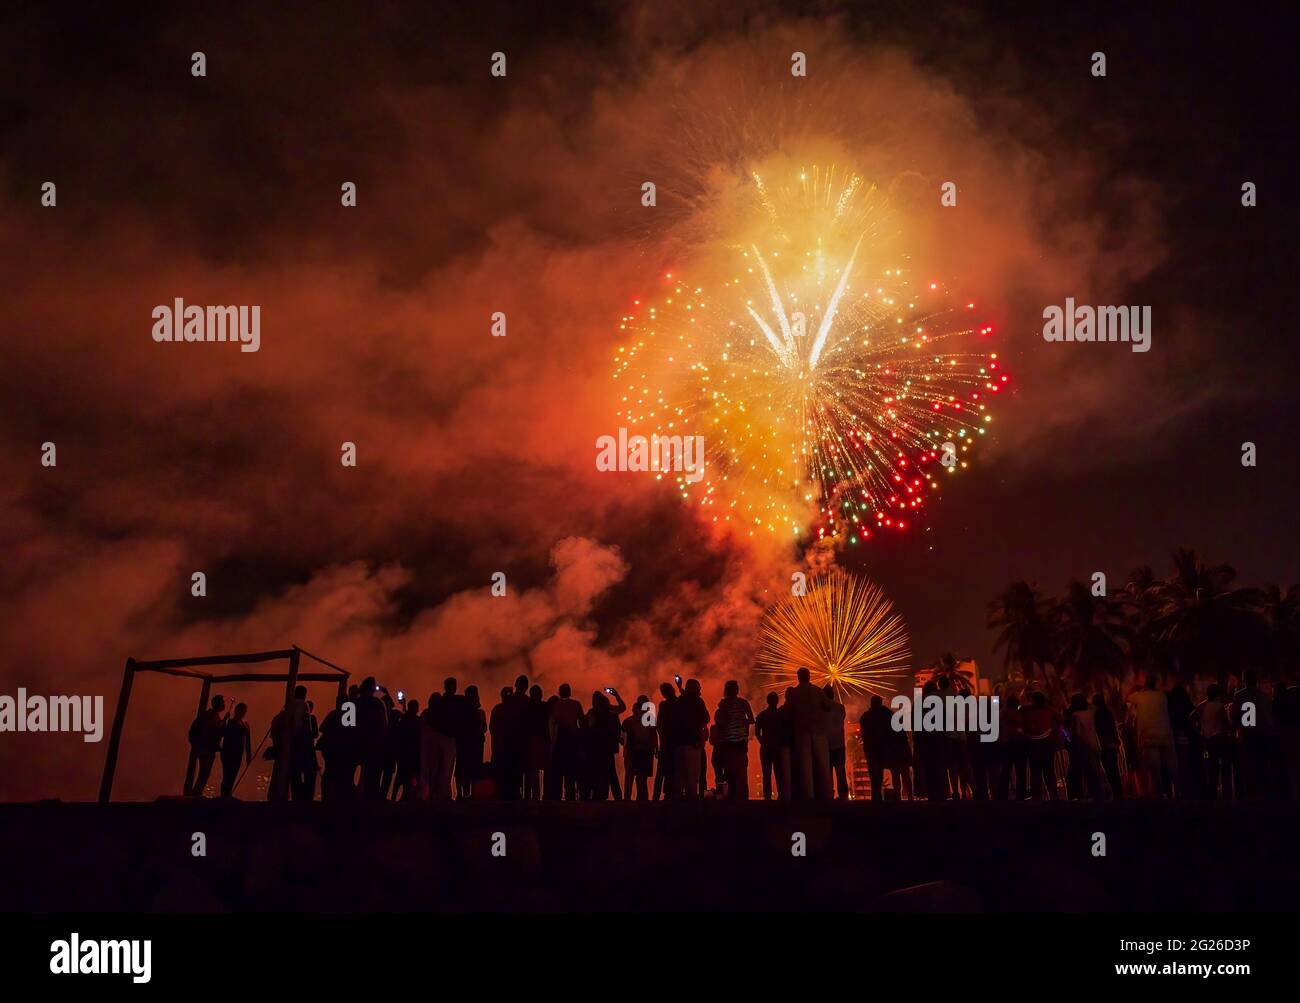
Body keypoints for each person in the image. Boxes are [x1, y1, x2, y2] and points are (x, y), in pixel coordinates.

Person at [788, 667, 833, 800]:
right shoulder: (817, 691)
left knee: (805, 767)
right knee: (823, 766)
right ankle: (826, 795)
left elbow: (787, 712)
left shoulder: (795, 693)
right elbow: (828, 707)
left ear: (798, 677)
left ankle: (808, 797)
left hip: (802, 733)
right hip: (818, 732)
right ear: (809, 676)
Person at [1127, 674, 1176, 798]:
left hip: (1149, 735)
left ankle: (1160, 792)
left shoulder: (1139, 696)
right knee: (1168, 765)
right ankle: (1173, 791)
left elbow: (1128, 697)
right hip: (1165, 732)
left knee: (1155, 767)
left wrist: (1137, 690)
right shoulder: (1162, 696)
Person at [672, 679, 710, 800]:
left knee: (680, 774)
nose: (700, 689)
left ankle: (678, 802)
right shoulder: (697, 701)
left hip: (678, 743)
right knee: (692, 775)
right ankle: (691, 803)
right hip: (693, 743)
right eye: (699, 687)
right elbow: (706, 718)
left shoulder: (678, 701)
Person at [585, 689, 626, 800]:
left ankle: (596, 796)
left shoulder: (592, 712)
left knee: (596, 772)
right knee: (611, 773)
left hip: (595, 748)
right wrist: (616, 695)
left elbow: (587, 727)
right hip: (608, 748)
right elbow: (622, 708)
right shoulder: (611, 713)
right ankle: (618, 797)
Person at [1194, 684, 1231, 799]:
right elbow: (1226, 724)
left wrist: (1198, 731)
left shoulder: (1201, 706)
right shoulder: (1220, 706)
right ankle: (1226, 791)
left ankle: (1212, 792)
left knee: (1212, 766)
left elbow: (1191, 718)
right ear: (1218, 694)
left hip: (1207, 739)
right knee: (1224, 765)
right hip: (1219, 738)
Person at [550, 683, 586, 800]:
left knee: (559, 768)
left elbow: (554, 721)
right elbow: (581, 721)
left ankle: (557, 795)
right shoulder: (576, 704)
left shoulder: (557, 704)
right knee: (571, 769)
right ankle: (570, 795)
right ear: (569, 692)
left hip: (562, 737)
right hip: (573, 738)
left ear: (560, 692)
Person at [355, 677, 389, 800]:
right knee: (372, 772)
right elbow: (384, 724)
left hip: (358, 741)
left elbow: (347, 724)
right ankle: (370, 796)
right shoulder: (378, 703)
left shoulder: (354, 703)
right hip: (373, 742)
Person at [317, 695, 356, 801]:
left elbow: (322, 728)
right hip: (343, 750)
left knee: (329, 772)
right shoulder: (348, 716)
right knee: (342, 773)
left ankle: (327, 796)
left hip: (331, 749)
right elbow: (351, 733)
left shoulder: (333, 714)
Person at [186, 695, 226, 796]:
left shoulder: (211, 715)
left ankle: (196, 793)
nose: (224, 704)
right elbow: (213, 732)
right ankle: (196, 794)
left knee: (203, 773)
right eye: (222, 702)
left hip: (204, 748)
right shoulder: (211, 716)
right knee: (204, 773)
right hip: (207, 749)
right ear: (218, 704)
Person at [1066, 693, 1103, 802]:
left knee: (1082, 770)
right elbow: (1093, 706)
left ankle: (1080, 794)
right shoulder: (1091, 712)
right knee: (1094, 769)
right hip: (1094, 742)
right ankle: (1096, 793)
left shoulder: (1075, 715)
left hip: (1083, 744)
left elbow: (1077, 733)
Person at [1022, 690, 1058, 800]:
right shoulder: (1049, 710)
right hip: (1045, 743)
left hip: (1034, 744)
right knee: (1049, 771)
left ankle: (1038, 796)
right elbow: (1060, 719)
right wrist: (1052, 728)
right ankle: (1053, 795)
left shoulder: (1026, 711)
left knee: (1036, 771)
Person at [859, 695, 895, 800]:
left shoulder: (865, 716)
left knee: (873, 773)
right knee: (884, 772)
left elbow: (864, 734)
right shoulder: (886, 714)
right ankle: (888, 796)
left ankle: (876, 796)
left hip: (870, 749)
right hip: (883, 748)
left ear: (871, 704)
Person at [622, 695, 657, 800]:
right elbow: (653, 734)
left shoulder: (629, 721)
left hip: (634, 751)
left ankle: (629, 798)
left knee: (631, 776)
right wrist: (655, 748)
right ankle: (641, 798)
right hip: (643, 751)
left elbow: (621, 738)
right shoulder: (649, 719)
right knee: (641, 777)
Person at [755, 692, 788, 800]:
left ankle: (767, 796)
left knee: (766, 773)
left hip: (766, 747)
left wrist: (762, 741)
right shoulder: (780, 715)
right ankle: (781, 795)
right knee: (779, 772)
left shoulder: (762, 715)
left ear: (767, 701)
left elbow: (756, 732)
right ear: (777, 701)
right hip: (777, 747)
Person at [455, 685, 487, 799]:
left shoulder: (460, 710)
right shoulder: (479, 712)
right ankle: (470, 793)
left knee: (462, 769)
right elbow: (484, 728)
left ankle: (461, 794)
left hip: (464, 743)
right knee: (472, 769)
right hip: (474, 744)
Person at [1093, 693, 1124, 800]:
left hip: (1106, 745)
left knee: (1110, 769)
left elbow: (1099, 730)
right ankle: (1118, 792)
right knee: (1114, 768)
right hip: (1113, 744)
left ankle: (1116, 793)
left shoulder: (1097, 714)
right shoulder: (1108, 712)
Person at [219, 702, 253, 798]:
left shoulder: (244, 725)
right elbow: (223, 734)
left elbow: (248, 742)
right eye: (241, 710)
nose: (242, 712)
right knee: (227, 775)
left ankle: (226, 794)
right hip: (229, 753)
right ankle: (225, 795)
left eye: (243, 711)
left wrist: (248, 755)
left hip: (236, 753)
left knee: (232, 775)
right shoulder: (231, 722)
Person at [523, 685, 551, 800]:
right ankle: (540, 795)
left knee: (532, 769)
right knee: (541, 768)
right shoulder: (545, 707)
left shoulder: (528, 707)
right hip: (541, 739)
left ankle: (532, 795)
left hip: (532, 740)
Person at [823, 684, 849, 800]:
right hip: (839, 744)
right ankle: (843, 795)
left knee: (827, 773)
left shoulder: (821, 709)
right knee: (840, 771)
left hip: (826, 745)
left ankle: (829, 794)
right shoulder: (840, 708)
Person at [392, 699, 422, 801]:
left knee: (400, 776)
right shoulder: (418, 721)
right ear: (417, 709)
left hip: (402, 753)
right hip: (413, 754)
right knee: (408, 778)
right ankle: (405, 798)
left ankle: (394, 797)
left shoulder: (403, 719)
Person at [653, 682, 678, 800]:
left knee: (661, 771)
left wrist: (661, 738)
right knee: (673, 770)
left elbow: (659, 725)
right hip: (675, 743)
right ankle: (670, 794)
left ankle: (656, 796)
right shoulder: (679, 703)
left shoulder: (664, 705)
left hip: (666, 742)